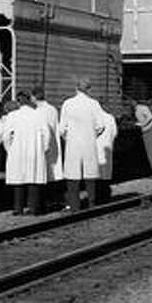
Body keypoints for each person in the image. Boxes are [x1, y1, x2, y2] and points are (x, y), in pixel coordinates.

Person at [3, 90, 53, 215]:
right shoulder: (39, 115)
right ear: (29, 100)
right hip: (34, 150)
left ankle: (18, 208)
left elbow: (5, 136)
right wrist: (43, 148)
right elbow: (47, 134)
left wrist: (10, 149)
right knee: (33, 178)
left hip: (17, 150)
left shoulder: (12, 116)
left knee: (18, 180)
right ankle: (33, 208)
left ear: (19, 101)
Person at [58, 77, 104, 211]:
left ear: (76, 88)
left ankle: (74, 204)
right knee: (90, 174)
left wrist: (68, 137)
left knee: (73, 174)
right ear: (89, 89)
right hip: (89, 143)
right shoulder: (94, 104)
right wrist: (92, 135)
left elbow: (61, 129)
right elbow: (101, 126)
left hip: (73, 144)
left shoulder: (67, 103)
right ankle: (91, 203)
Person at [30, 86, 63, 208]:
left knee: (44, 174)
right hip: (54, 144)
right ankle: (56, 200)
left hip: (43, 145)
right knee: (54, 173)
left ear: (34, 97)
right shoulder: (52, 109)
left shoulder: (38, 112)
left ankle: (47, 201)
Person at [94, 104, 118, 203]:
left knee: (96, 175)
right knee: (106, 175)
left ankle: (98, 197)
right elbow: (115, 133)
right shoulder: (110, 117)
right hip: (108, 148)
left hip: (95, 149)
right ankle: (106, 196)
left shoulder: (94, 119)